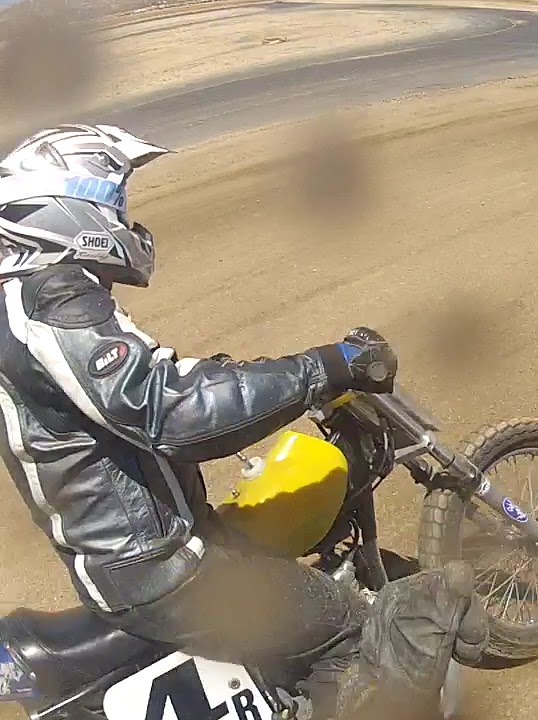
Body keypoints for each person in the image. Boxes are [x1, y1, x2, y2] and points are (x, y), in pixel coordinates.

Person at [0, 124, 486, 718]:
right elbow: (170, 408)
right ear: (65, 209)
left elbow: (139, 386)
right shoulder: (53, 301)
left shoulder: (27, 301)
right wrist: (323, 367)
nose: (122, 216)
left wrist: (241, 378)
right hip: (162, 570)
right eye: (111, 200)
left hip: (133, 556)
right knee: (351, 628)